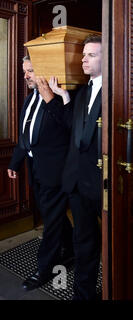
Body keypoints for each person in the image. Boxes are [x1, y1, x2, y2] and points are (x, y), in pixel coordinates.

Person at [7, 56, 73, 291]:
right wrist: (14, 163)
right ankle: (72, 247)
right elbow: (25, 138)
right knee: (51, 213)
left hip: (55, 174)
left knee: (51, 221)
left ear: (44, 71)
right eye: (24, 71)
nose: (26, 76)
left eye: (31, 71)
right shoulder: (28, 101)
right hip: (35, 171)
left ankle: (44, 269)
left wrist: (51, 99)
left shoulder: (58, 101)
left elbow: (70, 130)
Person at [45, 34, 102, 300]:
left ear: (106, 58)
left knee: (116, 242)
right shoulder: (82, 92)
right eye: (84, 54)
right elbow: (74, 131)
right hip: (78, 183)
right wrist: (64, 97)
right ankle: (84, 296)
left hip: (105, 182)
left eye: (91, 54)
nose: (84, 59)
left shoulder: (119, 91)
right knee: (83, 244)